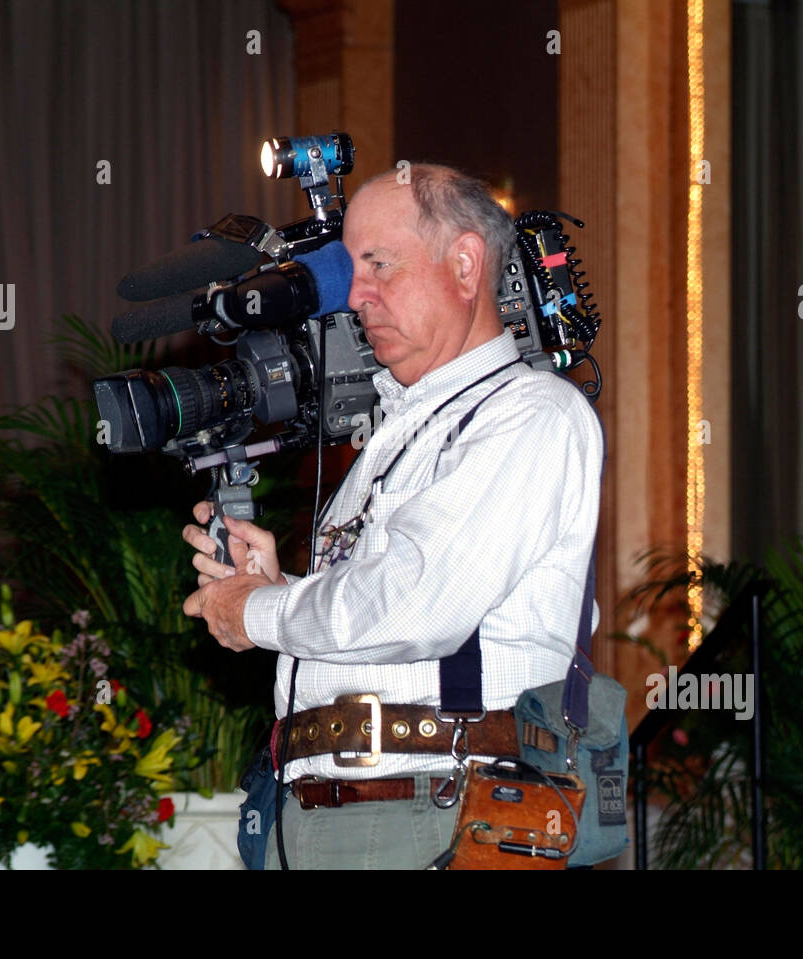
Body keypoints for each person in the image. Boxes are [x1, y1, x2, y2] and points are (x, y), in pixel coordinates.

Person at [181, 164, 603, 869]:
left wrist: (260, 608)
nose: (355, 295)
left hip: (442, 816)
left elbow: (417, 601)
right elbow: (382, 619)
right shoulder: (393, 432)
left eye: (378, 265)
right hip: (337, 817)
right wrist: (279, 582)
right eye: (352, 270)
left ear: (466, 264)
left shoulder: (530, 413)